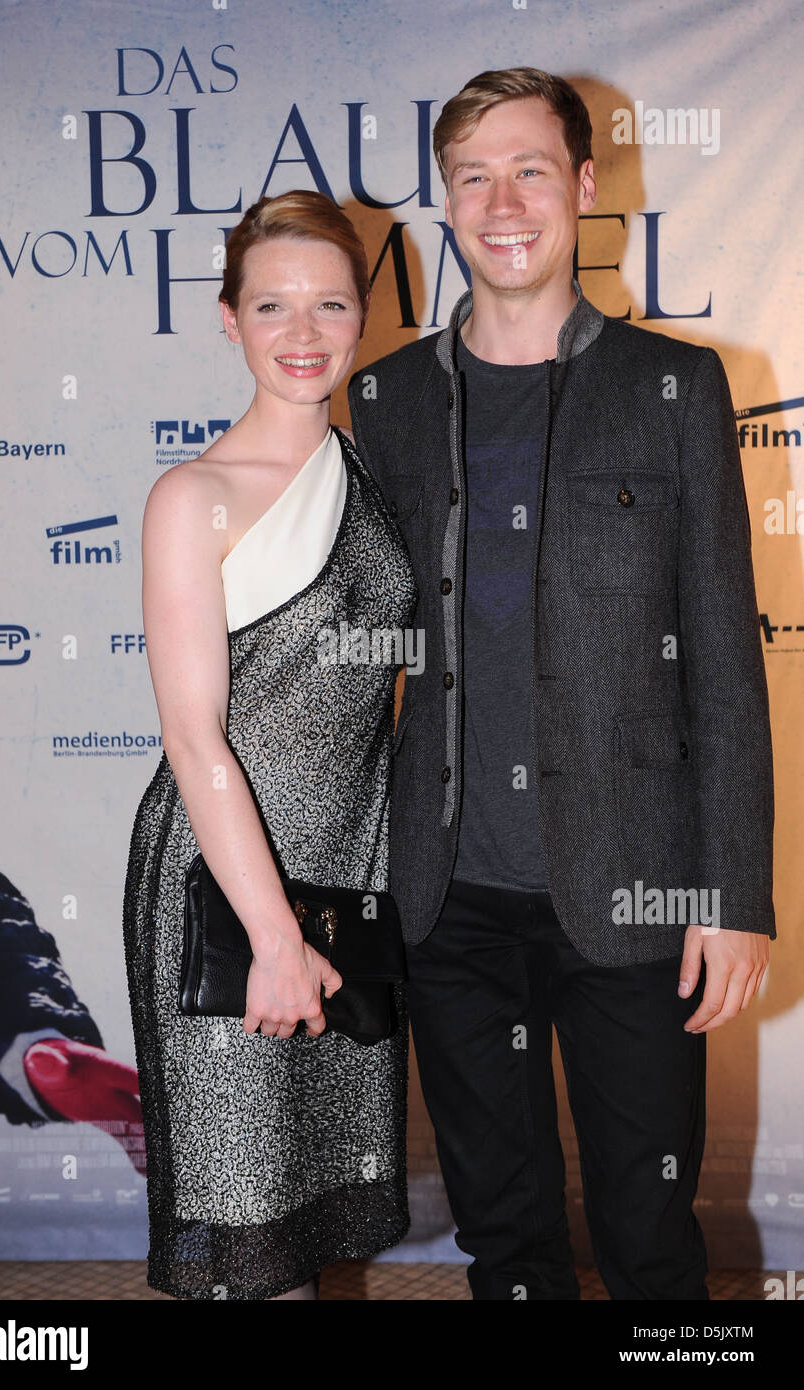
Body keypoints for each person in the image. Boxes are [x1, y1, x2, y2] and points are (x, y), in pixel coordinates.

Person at [348, 67, 775, 1300]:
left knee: (651, 1243)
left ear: (586, 189)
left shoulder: (673, 386)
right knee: (508, 1242)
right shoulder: (387, 400)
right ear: (446, 199)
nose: (502, 201)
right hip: (450, 901)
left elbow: (725, 657)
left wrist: (733, 890)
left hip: (636, 890)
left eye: (530, 168)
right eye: (472, 175)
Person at [122, 191, 415, 1301]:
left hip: (350, 874)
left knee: (314, 1219)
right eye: (273, 304)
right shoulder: (190, 497)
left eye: (331, 303)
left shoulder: (376, 477)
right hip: (222, 889)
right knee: (250, 1236)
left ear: (362, 316)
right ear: (228, 320)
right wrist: (275, 938)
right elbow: (194, 739)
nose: (304, 331)